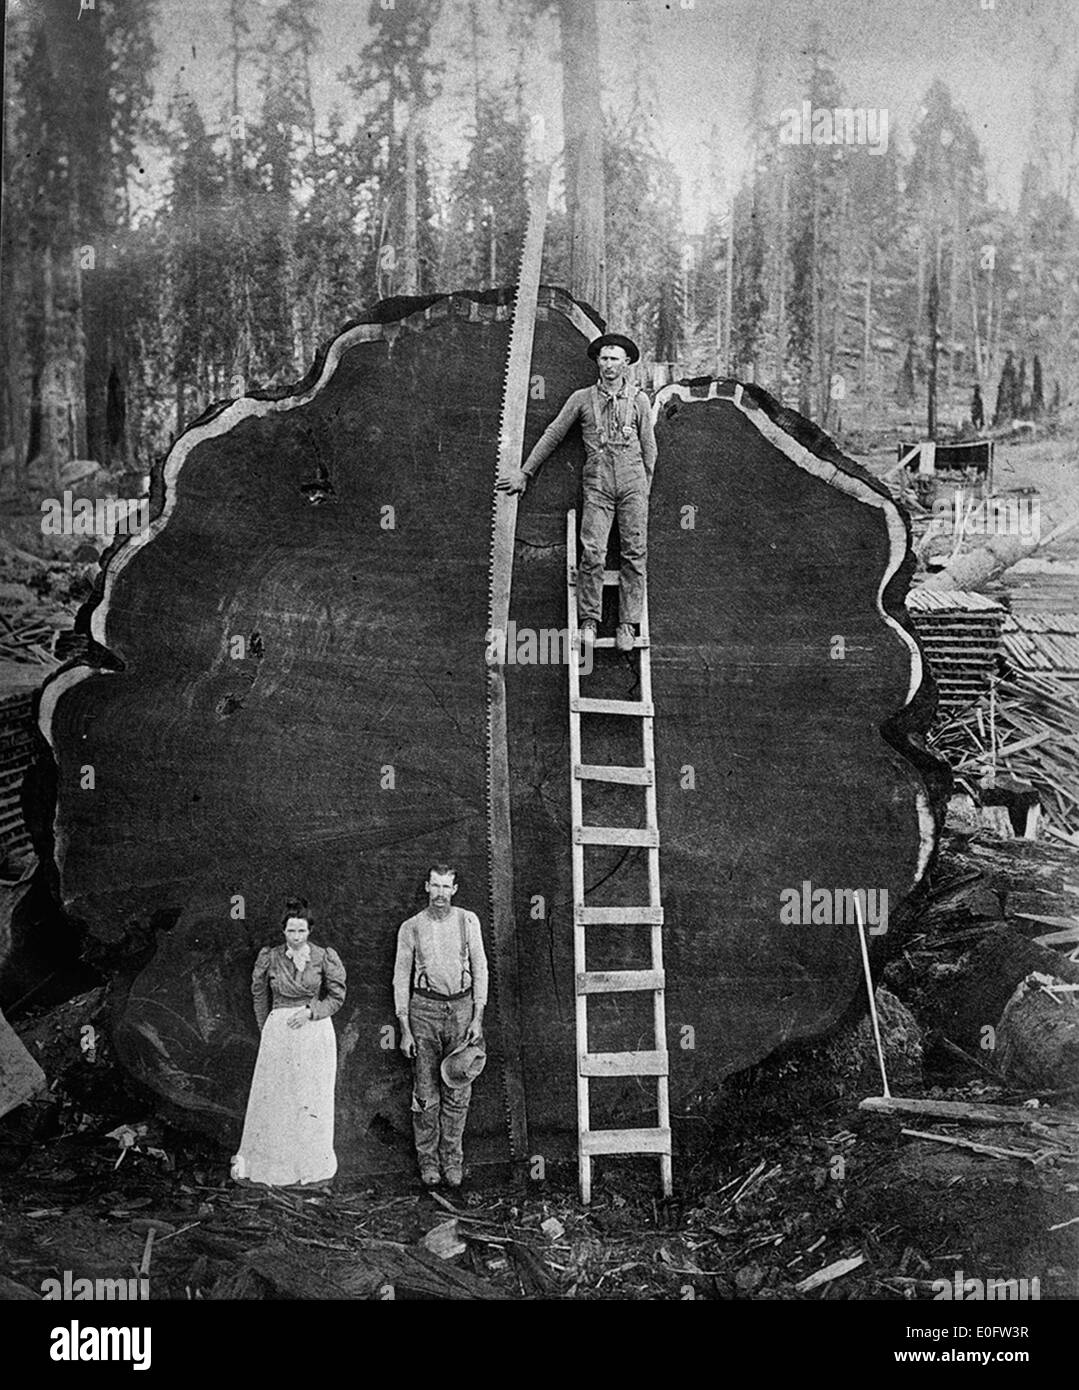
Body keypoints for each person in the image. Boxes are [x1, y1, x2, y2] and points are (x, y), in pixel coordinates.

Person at [496, 333, 657, 655]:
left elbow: (650, 450)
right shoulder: (582, 398)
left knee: (634, 553)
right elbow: (553, 434)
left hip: (633, 484)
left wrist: (643, 491)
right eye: (604, 358)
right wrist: (525, 472)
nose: (609, 364)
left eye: (615, 358)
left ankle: (627, 623)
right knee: (593, 553)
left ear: (626, 363)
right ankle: (589, 621)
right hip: (597, 485)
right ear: (597, 362)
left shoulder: (639, 400)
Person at [232, 898, 346, 1187]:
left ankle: (308, 1164)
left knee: (310, 1098)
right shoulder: (270, 957)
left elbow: (336, 997)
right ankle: (275, 1166)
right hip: (279, 1033)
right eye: (291, 931)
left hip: (314, 1032)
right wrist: (269, 1029)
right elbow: (259, 995)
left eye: (302, 931)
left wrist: (311, 1012)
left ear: (310, 931)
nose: (296, 938)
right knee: (277, 1099)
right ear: (283, 930)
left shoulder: (323, 957)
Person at [393, 864, 488, 1188]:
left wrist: (477, 1017)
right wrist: (404, 1027)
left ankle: (452, 1162)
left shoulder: (468, 921)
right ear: (426, 887)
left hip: (462, 1010)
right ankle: (428, 1163)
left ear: (455, 889)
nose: (440, 894)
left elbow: (481, 968)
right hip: (424, 1011)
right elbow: (400, 977)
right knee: (425, 1093)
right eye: (435, 886)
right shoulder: (411, 927)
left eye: (446, 887)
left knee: (458, 1090)